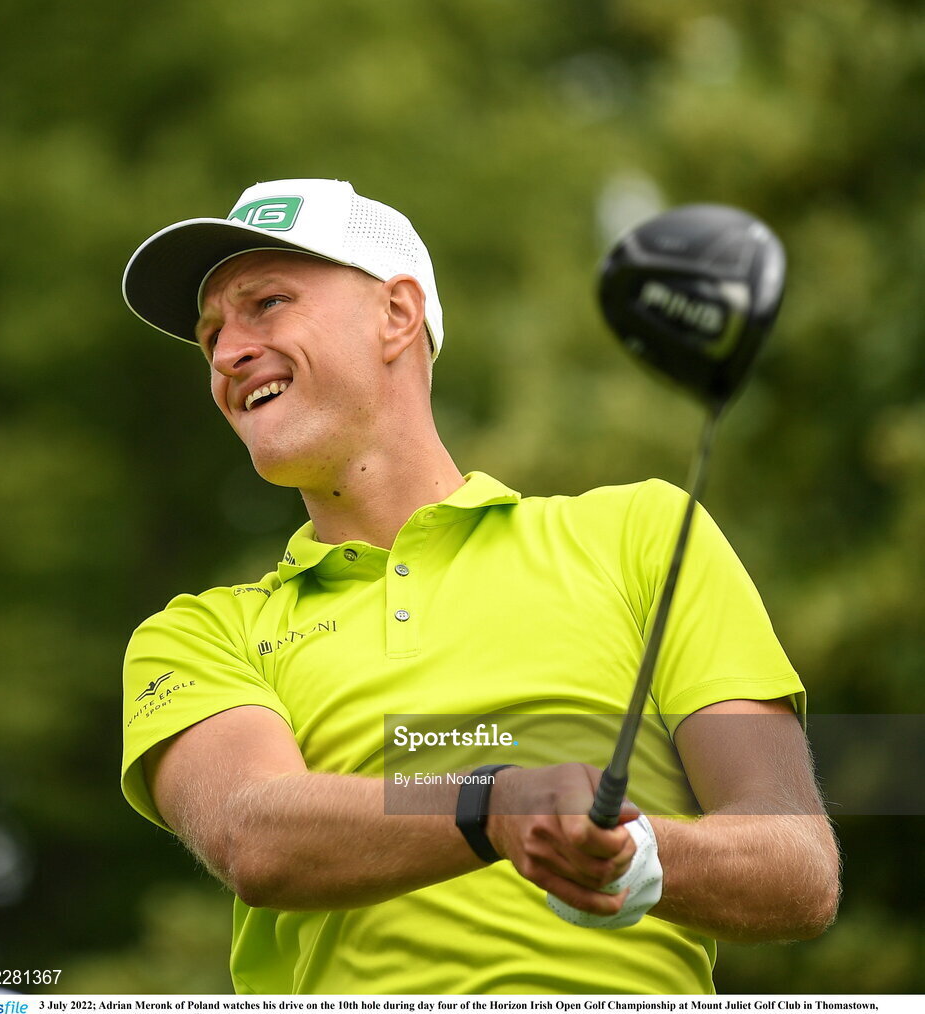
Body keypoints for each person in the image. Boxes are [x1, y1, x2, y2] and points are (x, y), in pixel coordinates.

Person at [120, 178, 839, 995]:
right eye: (210, 333)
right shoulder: (196, 634)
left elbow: (796, 865)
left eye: (267, 304)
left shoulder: (640, 534)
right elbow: (255, 835)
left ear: (396, 315)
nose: (225, 352)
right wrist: (491, 805)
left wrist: (637, 855)